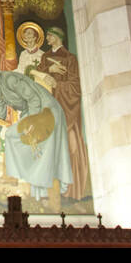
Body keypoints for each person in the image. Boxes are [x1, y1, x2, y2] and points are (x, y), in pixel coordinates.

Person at [0, 60, 72, 200]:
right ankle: (11, 176)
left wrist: (32, 121)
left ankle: (47, 186)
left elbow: (33, 98)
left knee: (35, 144)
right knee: (10, 135)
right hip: (32, 111)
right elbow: (0, 113)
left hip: (45, 109)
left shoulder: (10, 79)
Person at [37, 26, 89, 200]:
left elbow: (75, 87)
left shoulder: (70, 59)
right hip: (48, 109)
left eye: (50, 35)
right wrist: (47, 73)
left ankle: (70, 190)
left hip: (67, 108)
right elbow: (35, 78)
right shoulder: (45, 58)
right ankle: (50, 188)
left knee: (70, 146)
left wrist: (57, 85)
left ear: (58, 37)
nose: (47, 39)